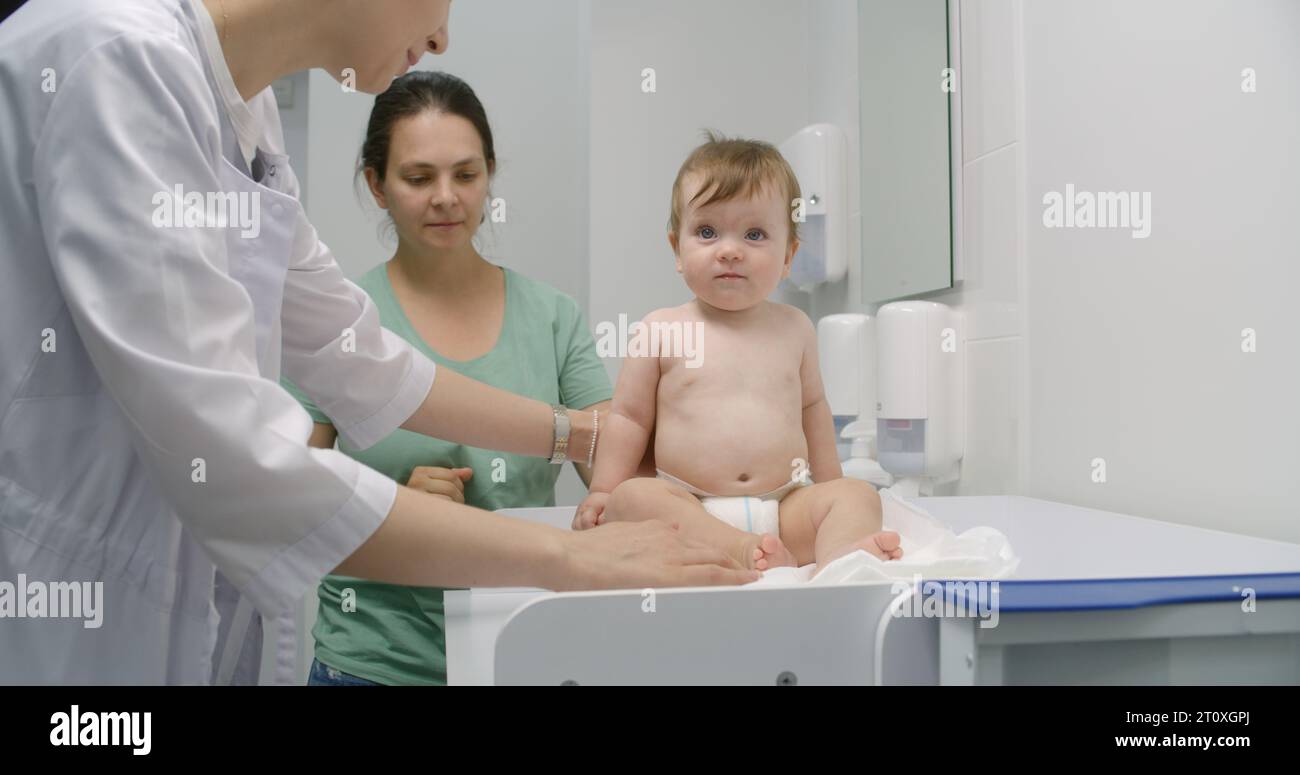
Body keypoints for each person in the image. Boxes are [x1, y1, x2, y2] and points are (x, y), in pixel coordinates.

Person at [0, 0, 755, 685]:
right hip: (68, 610)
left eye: (465, 173)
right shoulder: (115, 55)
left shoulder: (243, 114)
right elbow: (236, 456)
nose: (442, 36)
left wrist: (591, 433)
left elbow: (357, 357)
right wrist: (570, 557)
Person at [290, 71, 615, 685]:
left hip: (519, 656)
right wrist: (392, 511)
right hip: (370, 666)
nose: (446, 196)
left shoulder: (551, 318)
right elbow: (286, 509)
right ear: (376, 186)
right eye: (417, 178)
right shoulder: (334, 321)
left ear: (490, 174)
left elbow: (618, 476)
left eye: (466, 175)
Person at [574, 134, 902, 572]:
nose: (729, 250)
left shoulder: (795, 329)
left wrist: (829, 489)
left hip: (785, 505)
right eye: (707, 232)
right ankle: (739, 550)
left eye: (754, 234)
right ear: (677, 248)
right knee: (635, 498)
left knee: (858, 495)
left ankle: (842, 557)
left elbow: (813, 410)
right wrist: (603, 490)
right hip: (689, 505)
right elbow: (629, 418)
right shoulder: (660, 328)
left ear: (788, 256)